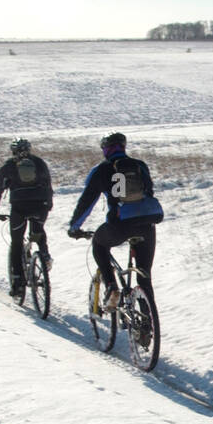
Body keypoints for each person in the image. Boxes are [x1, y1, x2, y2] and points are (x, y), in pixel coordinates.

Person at [66, 132, 164, 311]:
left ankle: (111, 287)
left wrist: (75, 227)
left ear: (105, 149)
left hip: (120, 225)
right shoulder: (140, 165)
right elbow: (149, 192)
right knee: (144, 276)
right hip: (147, 225)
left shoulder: (101, 170)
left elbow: (86, 202)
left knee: (99, 244)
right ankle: (146, 325)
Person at [0, 138, 53, 297]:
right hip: (40, 206)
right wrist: (48, 204)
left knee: (16, 243)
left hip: (19, 207)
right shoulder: (39, 163)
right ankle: (44, 254)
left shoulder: (8, 166)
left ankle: (18, 284)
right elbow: (48, 185)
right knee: (37, 231)